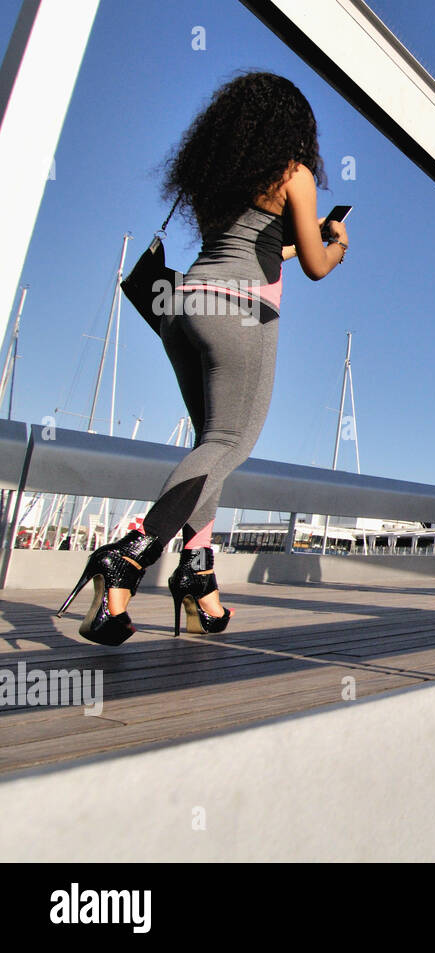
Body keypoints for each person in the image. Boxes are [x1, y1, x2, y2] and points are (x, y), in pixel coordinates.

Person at [57, 72, 349, 646]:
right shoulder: (296, 173)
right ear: (295, 128)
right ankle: (129, 557)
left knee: (208, 448)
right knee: (230, 444)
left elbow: (261, 247)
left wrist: (299, 239)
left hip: (184, 307)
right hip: (243, 314)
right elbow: (316, 266)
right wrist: (336, 240)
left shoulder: (221, 175)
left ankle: (198, 577)